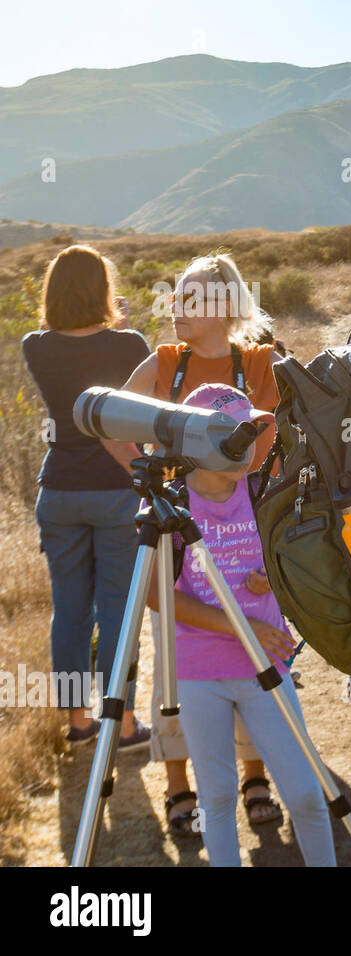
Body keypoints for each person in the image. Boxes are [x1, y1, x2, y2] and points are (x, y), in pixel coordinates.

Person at [122, 253, 283, 837]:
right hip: (181, 530)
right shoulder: (164, 362)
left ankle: (255, 776)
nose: (175, 308)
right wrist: (151, 480)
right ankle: (179, 786)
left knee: (249, 651)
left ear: (223, 305)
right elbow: (115, 419)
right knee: (176, 653)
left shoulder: (261, 363)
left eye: (189, 298)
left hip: (242, 529)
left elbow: (263, 453)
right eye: (176, 297)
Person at [146, 383, 335, 867]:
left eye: (248, 430)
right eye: (228, 433)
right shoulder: (169, 506)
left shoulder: (266, 492)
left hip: (265, 670)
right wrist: (240, 626)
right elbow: (155, 595)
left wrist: (274, 574)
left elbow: (306, 558)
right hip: (200, 673)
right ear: (193, 443)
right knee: (216, 801)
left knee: (307, 796)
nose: (244, 442)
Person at [21, 245, 151, 750]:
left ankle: (78, 722)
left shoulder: (37, 346)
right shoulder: (128, 344)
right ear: (103, 290)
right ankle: (122, 721)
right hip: (117, 490)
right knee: (117, 609)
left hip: (59, 492)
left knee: (70, 608)